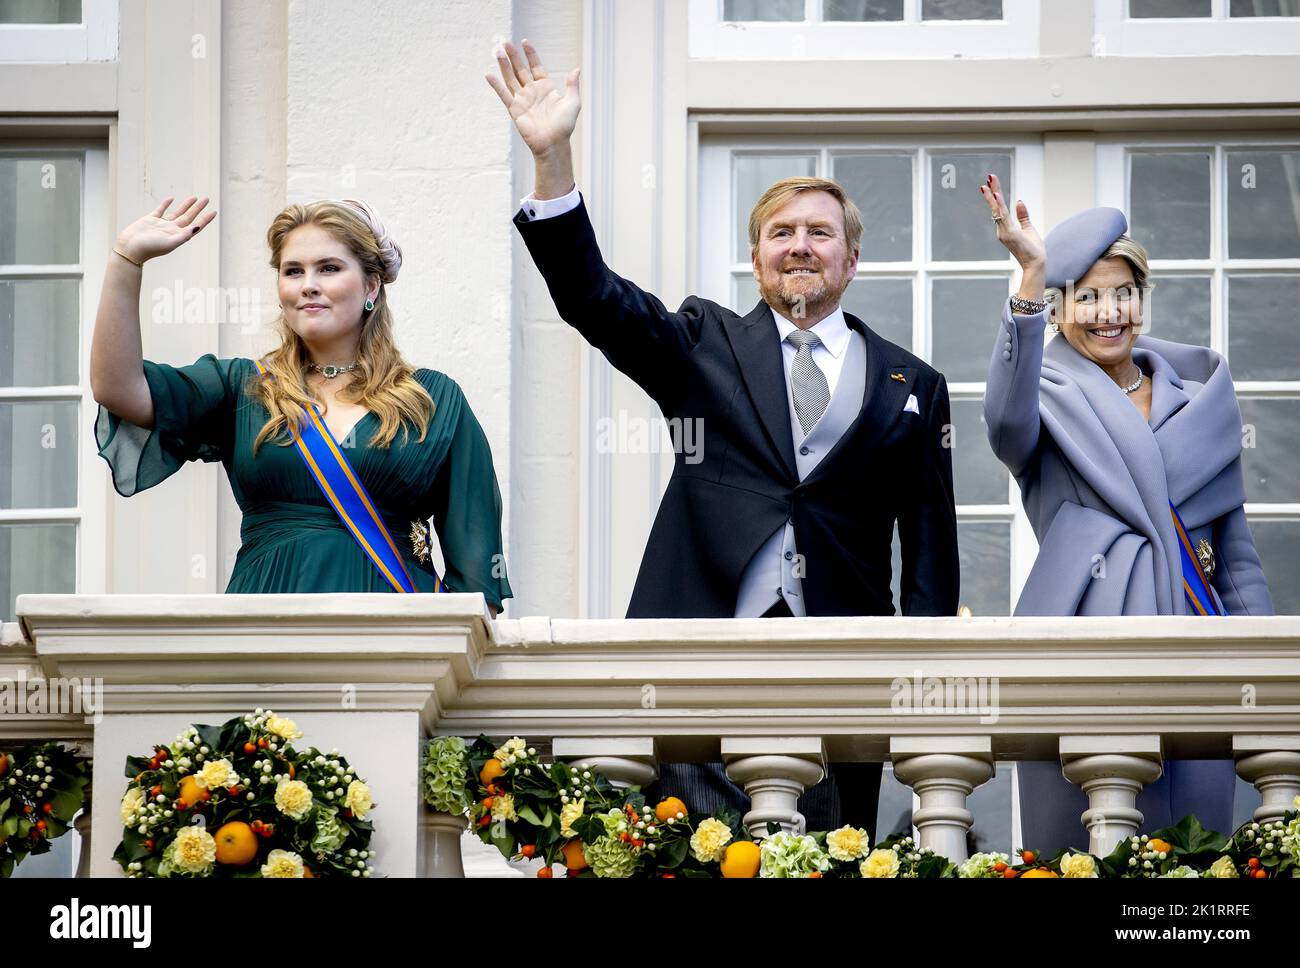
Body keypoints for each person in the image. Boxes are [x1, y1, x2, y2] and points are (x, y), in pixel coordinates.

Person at [488, 41, 959, 835]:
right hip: (696, 658)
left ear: (851, 260)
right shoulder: (704, 341)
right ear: (757, 258)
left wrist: (926, 691)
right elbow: (598, 302)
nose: (799, 245)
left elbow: (930, 560)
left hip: (839, 674)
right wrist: (553, 161)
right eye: (781, 232)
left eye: (818, 232)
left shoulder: (913, 384)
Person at [978, 174, 1272, 848]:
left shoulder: (1200, 399)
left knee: (1193, 852)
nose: (1108, 312)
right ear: (1057, 310)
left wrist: (1263, 664)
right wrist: (1030, 273)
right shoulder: (1044, 396)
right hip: (1080, 647)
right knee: (1080, 850)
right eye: (1086, 297)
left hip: (1194, 647)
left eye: (1123, 293)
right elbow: (1003, 419)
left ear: (1143, 299)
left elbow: (1235, 555)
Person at [90, 194, 512, 614]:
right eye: (293, 271)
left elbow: (477, 582)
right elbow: (119, 389)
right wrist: (126, 261)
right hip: (266, 632)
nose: (308, 283)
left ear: (371, 285)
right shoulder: (241, 387)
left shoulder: (432, 399)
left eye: (328, 268)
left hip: (397, 641)